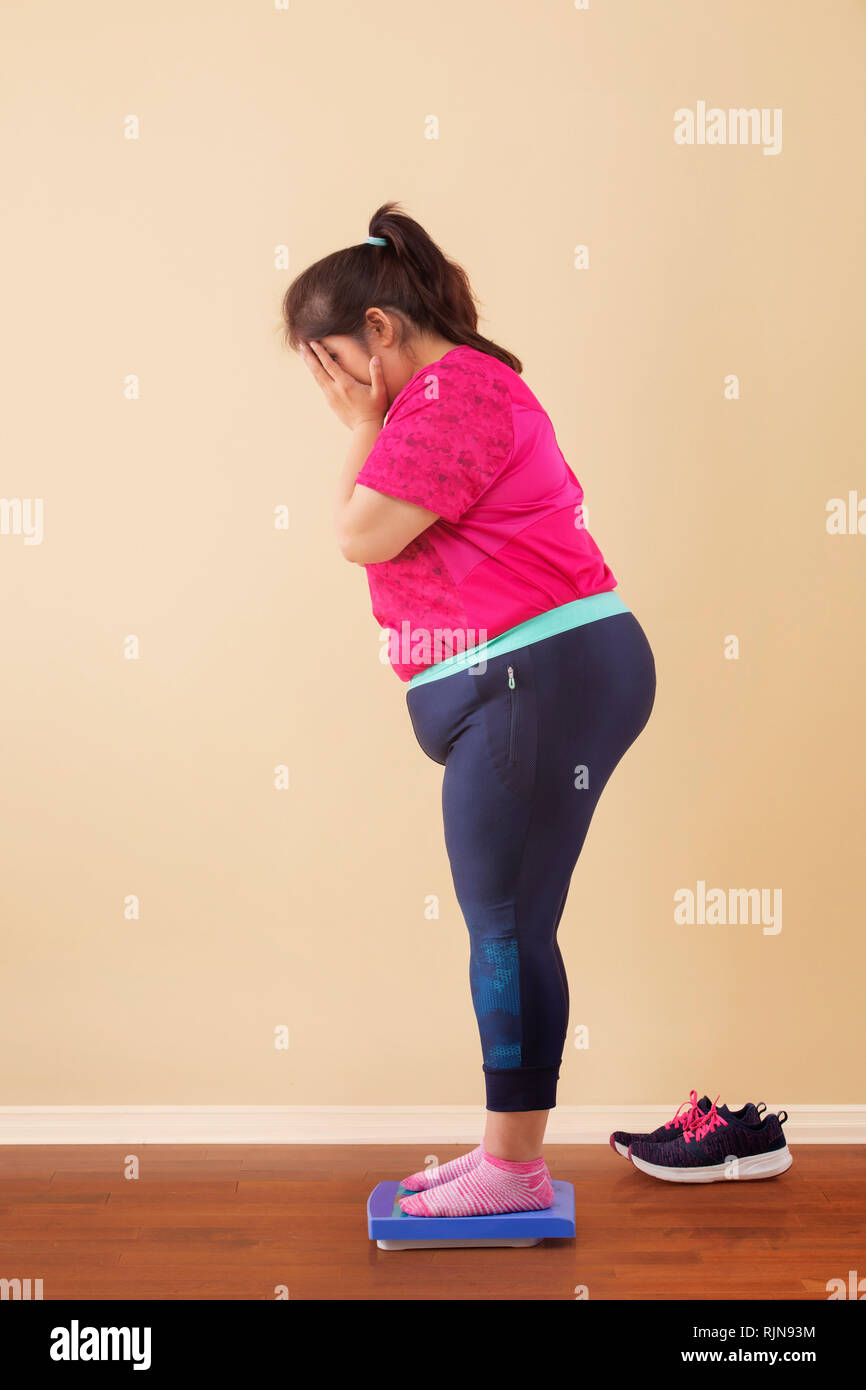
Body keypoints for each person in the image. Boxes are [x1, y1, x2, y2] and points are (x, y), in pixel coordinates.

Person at [282, 203, 656, 1218]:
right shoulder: (440, 398)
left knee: (506, 927)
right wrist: (370, 419)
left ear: (381, 331)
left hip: (538, 676)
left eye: (331, 365)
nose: (332, 390)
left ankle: (514, 1169)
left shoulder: (453, 394)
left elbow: (360, 532)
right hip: (518, 680)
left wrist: (360, 423)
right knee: (503, 922)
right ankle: (503, 1150)